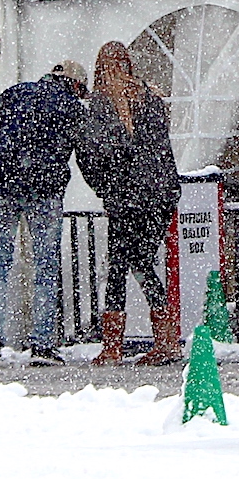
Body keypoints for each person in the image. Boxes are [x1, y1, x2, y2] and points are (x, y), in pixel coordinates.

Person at [0, 61, 91, 365]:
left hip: (2, 188)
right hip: (45, 192)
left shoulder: (15, 93)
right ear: (76, 85)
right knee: (45, 265)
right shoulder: (71, 108)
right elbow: (88, 153)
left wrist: (1, 164)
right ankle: (42, 344)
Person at [77, 42, 183, 366]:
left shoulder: (100, 103)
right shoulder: (150, 98)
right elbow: (161, 149)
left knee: (119, 268)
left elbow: (95, 154)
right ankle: (166, 339)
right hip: (159, 194)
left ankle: (113, 346)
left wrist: (106, 188)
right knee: (142, 262)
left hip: (127, 196)